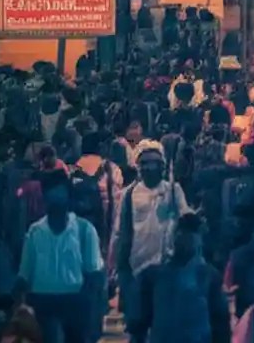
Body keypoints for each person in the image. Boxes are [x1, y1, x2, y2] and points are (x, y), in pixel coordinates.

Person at [110, 140, 192, 343]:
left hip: (166, 269)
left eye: (154, 163)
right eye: (144, 163)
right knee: (137, 327)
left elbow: (185, 216)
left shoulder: (173, 190)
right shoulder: (129, 194)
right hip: (137, 269)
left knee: (163, 327)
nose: (149, 168)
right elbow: (119, 232)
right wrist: (112, 267)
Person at [14, 171, 104, 343]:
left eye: (59, 194)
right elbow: (24, 274)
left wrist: (90, 311)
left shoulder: (85, 230)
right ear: (44, 198)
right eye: (51, 194)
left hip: (75, 301)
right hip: (42, 302)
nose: (55, 200)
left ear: (68, 196)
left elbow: (93, 274)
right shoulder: (35, 232)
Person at [130, 212, 230, 343]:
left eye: (188, 234)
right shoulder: (153, 276)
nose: (183, 238)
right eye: (181, 234)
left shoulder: (209, 276)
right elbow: (221, 325)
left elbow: (139, 325)